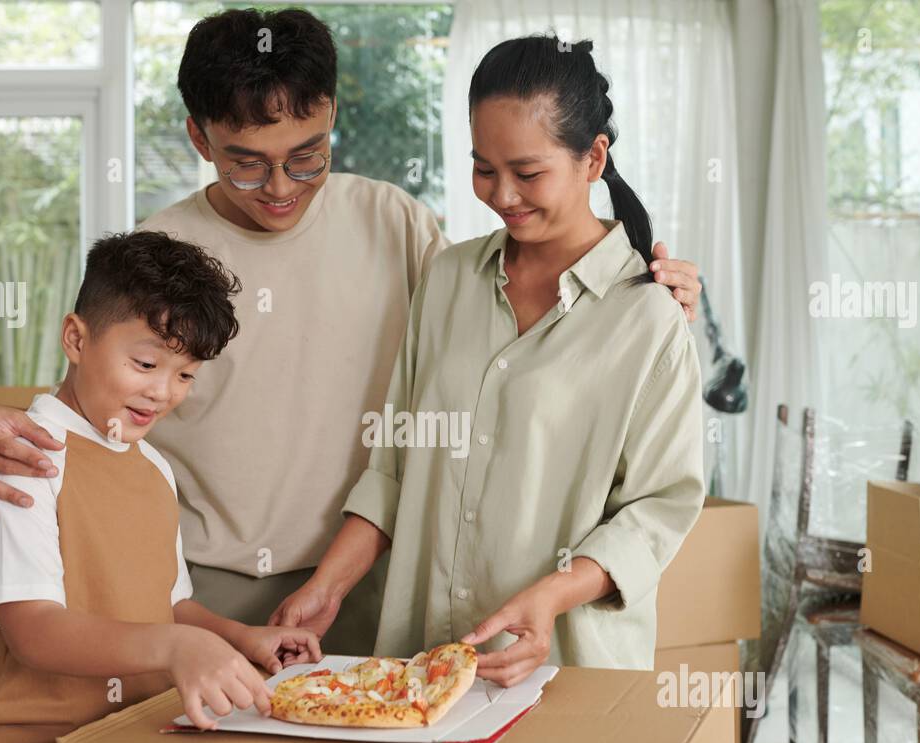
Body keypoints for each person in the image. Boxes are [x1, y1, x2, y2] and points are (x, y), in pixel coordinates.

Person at [0, 9, 705, 658]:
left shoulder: (402, 229)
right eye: (247, 164)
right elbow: (94, 397)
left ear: (334, 116)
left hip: (370, 586)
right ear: (199, 138)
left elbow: (488, 384)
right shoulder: (162, 247)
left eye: (306, 156)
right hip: (194, 590)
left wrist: (644, 291)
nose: (280, 188)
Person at [271, 36, 706, 686]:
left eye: (528, 173)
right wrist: (327, 588)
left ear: (593, 158)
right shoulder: (447, 280)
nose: (502, 194)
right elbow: (394, 465)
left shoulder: (647, 317)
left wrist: (552, 596)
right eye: (483, 167)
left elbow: (656, 512)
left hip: (566, 671)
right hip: (420, 665)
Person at [0, 231, 320, 743]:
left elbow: (169, 607)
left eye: (185, 375)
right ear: (77, 339)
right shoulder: (21, 456)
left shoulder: (153, 470)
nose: (162, 392)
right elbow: (32, 631)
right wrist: (177, 648)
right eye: (145, 365)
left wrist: (235, 638)